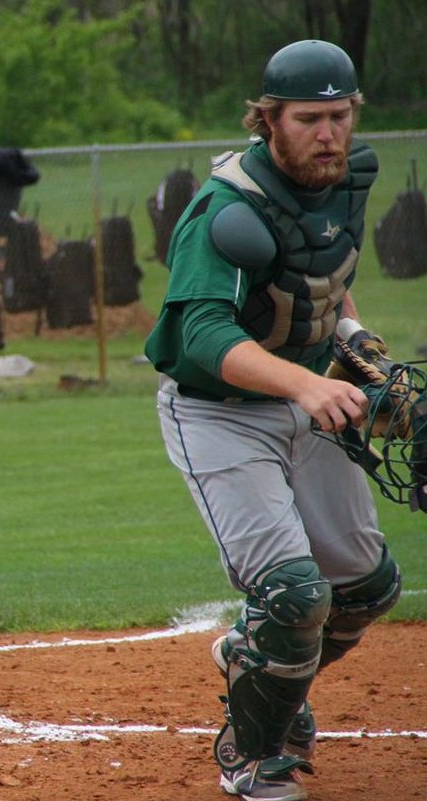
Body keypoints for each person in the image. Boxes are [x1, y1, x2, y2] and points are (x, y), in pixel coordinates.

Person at [146, 39, 401, 801]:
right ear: (268, 120)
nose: (328, 133)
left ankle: (254, 662)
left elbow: (321, 279)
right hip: (220, 413)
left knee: (365, 587)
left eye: (340, 115)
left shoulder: (342, 184)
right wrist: (307, 385)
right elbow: (203, 334)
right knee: (293, 593)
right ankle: (252, 755)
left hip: (306, 396)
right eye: (307, 119)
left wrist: (358, 344)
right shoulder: (227, 208)